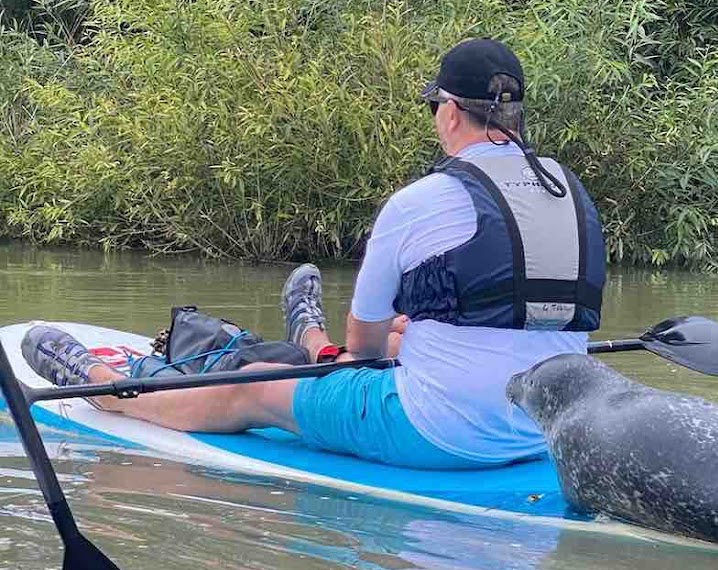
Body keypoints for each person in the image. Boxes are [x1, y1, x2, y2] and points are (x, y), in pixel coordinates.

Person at [21, 38, 606, 470]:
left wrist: (370, 346)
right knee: (408, 331)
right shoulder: (574, 194)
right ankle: (309, 338)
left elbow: (368, 347)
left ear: (450, 112)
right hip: (542, 427)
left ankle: (104, 387)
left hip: (444, 434)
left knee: (255, 381)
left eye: (435, 108)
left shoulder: (424, 200)